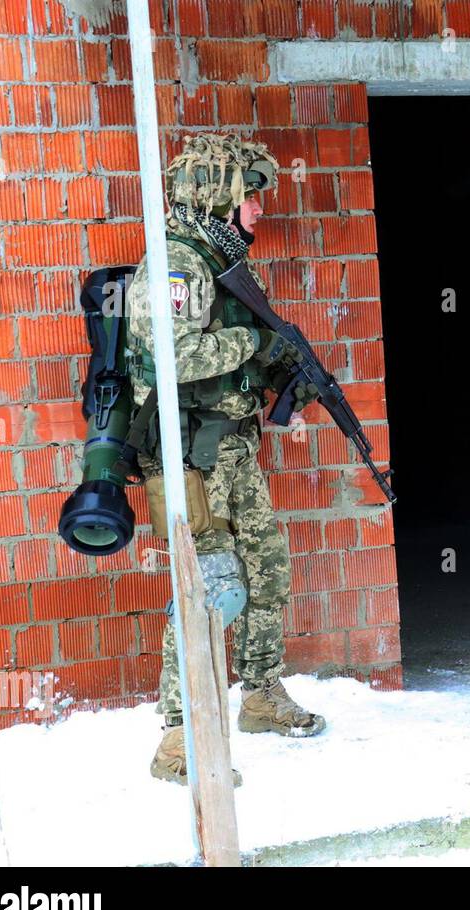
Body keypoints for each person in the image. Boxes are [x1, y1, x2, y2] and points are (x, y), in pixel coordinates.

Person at [125, 133, 326, 785]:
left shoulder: (221, 260)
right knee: (207, 585)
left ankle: (261, 694)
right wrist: (250, 341)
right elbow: (173, 357)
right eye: (251, 198)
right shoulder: (177, 265)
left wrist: (285, 375)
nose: (260, 210)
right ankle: (181, 737)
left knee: (267, 566)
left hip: (232, 442)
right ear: (218, 196)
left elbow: (244, 354)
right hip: (181, 450)